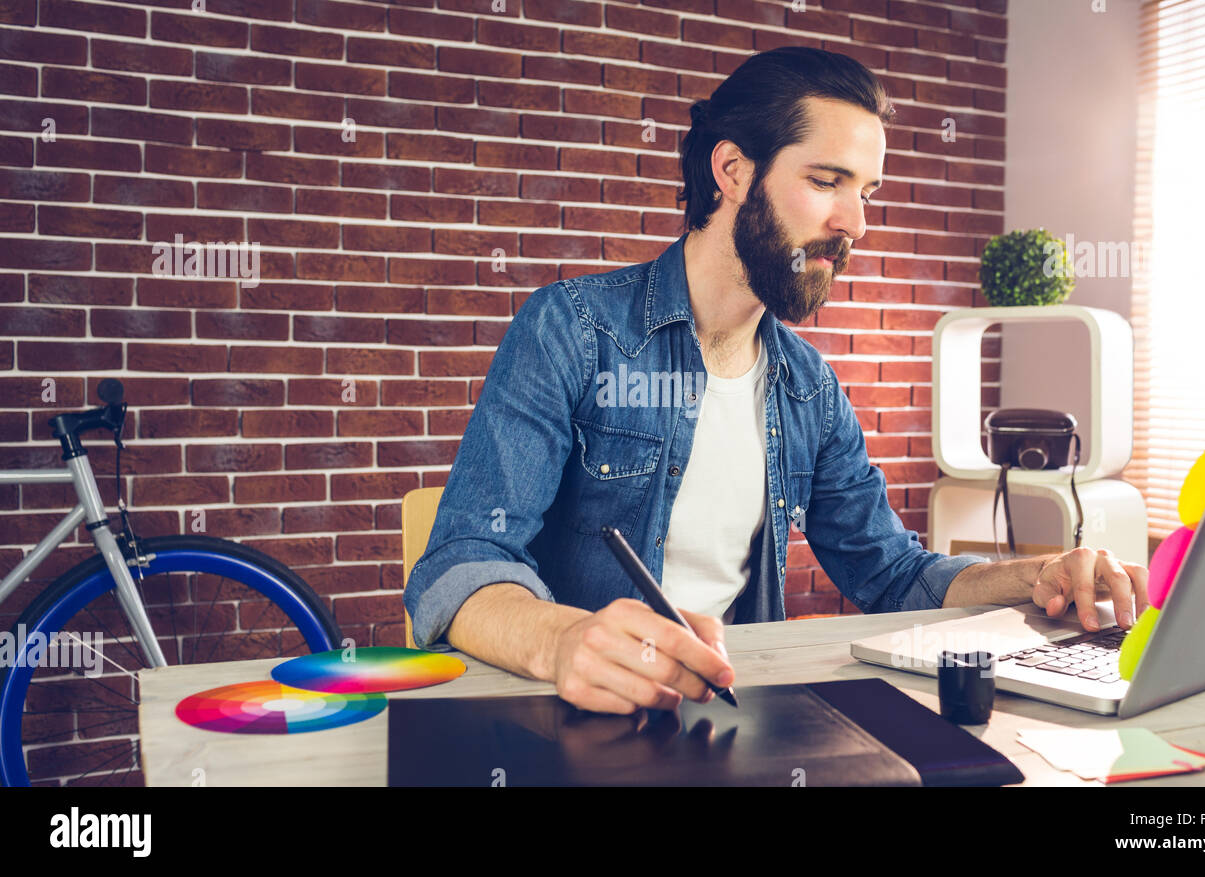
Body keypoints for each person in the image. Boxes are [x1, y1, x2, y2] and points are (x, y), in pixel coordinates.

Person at [404, 46, 1149, 716]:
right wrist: (564, 640)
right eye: (827, 181)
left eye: (867, 192)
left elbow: (893, 573)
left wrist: (1040, 574)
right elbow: (461, 563)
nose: (856, 221)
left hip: (737, 722)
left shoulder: (808, 387)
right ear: (733, 171)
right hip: (577, 723)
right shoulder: (572, 330)